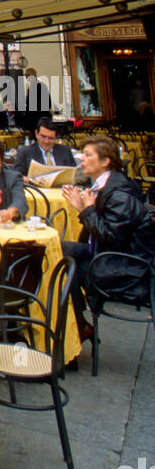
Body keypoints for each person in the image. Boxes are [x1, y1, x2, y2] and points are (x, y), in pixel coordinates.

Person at [61, 136, 155, 341]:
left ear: (105, 161)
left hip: (126, 269)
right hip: (108, 254)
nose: (81, 159)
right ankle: (78, 323)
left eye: (88, 155)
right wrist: (85, 209)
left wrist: (85, 210)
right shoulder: (106, 184)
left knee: (64, 266)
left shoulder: (119, 194)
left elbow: (113, 238)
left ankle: (78, 325)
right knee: (57, 250)